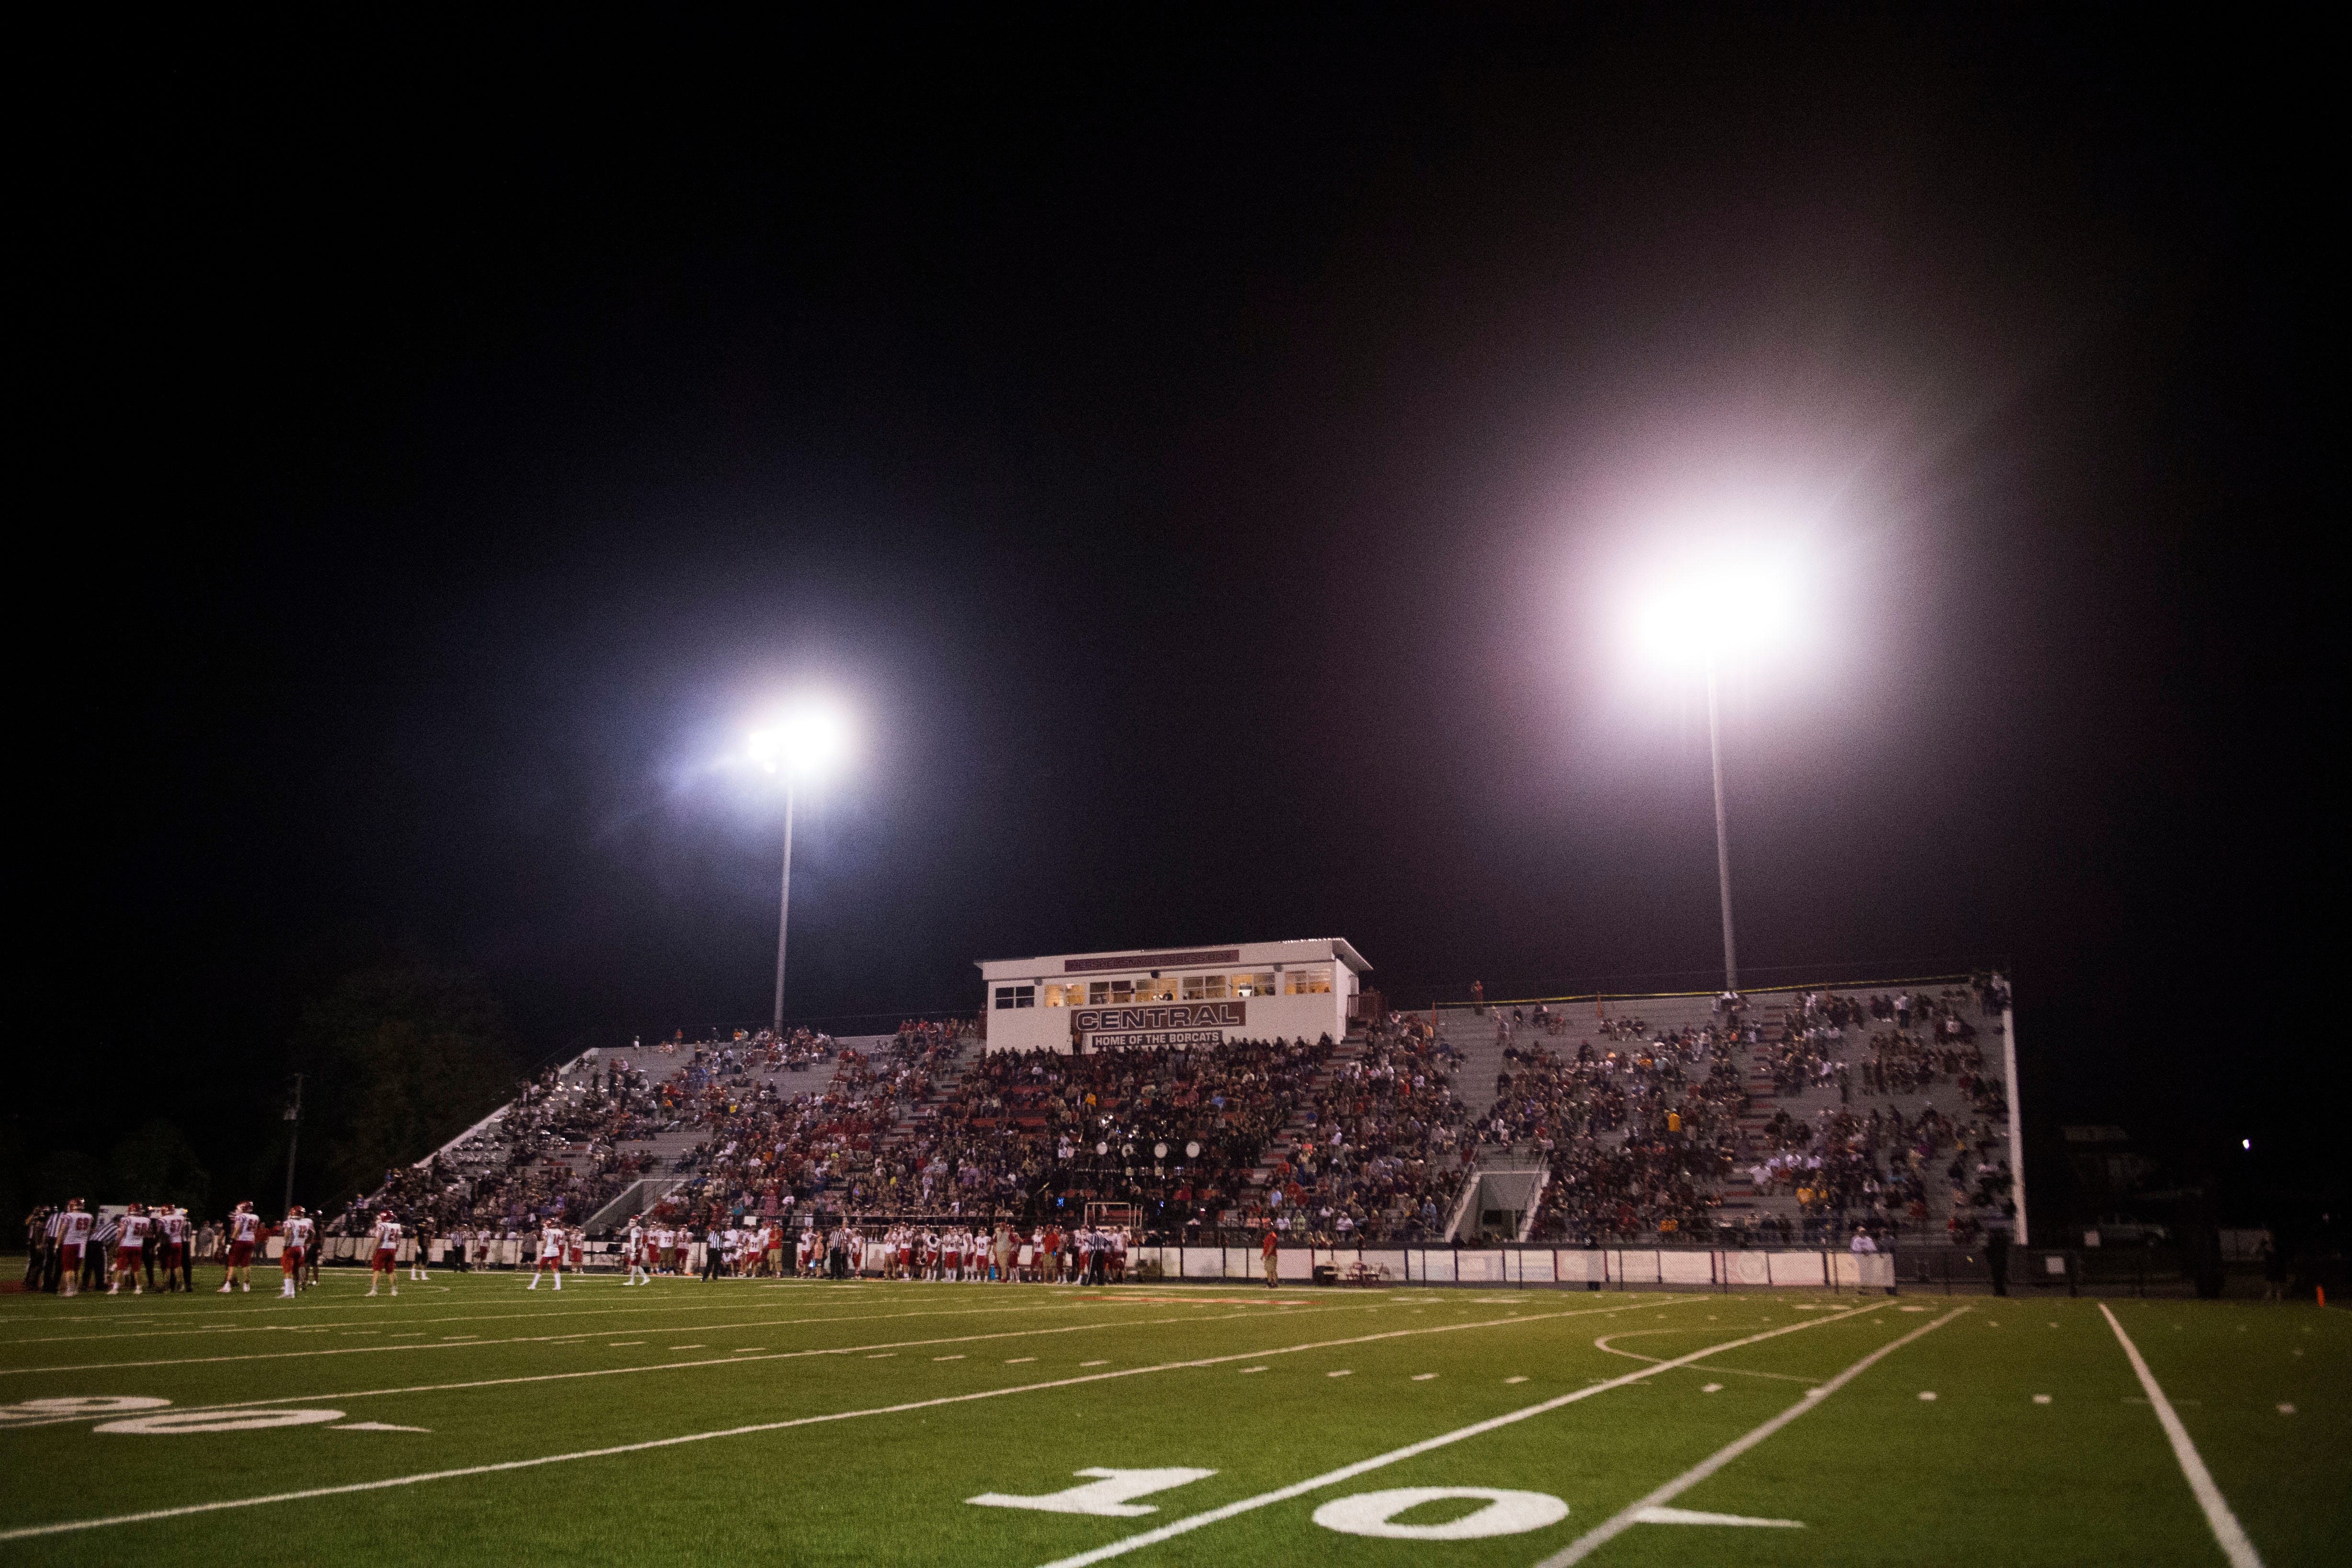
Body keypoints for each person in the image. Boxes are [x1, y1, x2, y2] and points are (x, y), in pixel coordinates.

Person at [53, 1199, 91, 1298]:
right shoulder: (89, 1216)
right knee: (77, 1269)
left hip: (70, 1244)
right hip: (82, 1245)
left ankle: (70, 1291)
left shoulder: (68, 1216)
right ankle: (75, 1290)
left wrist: (57, 1244)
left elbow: (63, 1231)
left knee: (69, 1269)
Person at [109, 1204, 150, 1295]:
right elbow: (147, 1233)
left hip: (126, 1246)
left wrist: (115, 1246)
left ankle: (115, 1289)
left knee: (120, 1268)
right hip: (138, 1246)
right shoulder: (146, 1220)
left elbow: (121, 1233)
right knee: (136, 1269)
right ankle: (139, 1289)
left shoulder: (126, 1219)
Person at [222, 1201, 260, 1293]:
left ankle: (227, 1286)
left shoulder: (241, 1217)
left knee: (232, 1264)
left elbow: (237, 1229)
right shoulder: (256, 1217)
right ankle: (246, 1286)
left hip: (240, 1241)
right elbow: (255, 1230)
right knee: (246, 1264)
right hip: (251, 1241)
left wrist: (231, 1241)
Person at [280, 1207, 314, 1297]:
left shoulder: (290, 1222)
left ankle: (288, 1292)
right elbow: (313, 1233)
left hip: (292, 1247)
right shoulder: (306, 1222)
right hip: (301, 1248)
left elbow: (287, 1236)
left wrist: (285, 1246)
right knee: (298, 1268)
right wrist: (307, 1242)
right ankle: (294, 1290)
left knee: (288, 1269)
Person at [368, 1210, 403, 1296]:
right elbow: (399, 1240)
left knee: (377, 1270)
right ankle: (395, 1291)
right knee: (391, 1271)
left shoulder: (382, 1226)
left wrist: (373, 1252)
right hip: (393, 1249)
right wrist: (396, 1249)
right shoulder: (397, 1226)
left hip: (383, 1249)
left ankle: (374, 1291)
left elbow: (378, 1239)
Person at [526, 1218, 565, 1289]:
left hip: (549, 1251)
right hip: (556, 1251)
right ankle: (558, 1286)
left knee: (540, 1269)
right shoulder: (561, 1232)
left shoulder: (549, 1231)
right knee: (555, 1268)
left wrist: (544, 1229)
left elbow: (542, 1237)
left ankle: (533, 1285)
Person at [1984, 1223, 2010, 1298]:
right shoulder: (2004, 1238)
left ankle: (1999, 1291)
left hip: (1995, 1260)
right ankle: (2002, 1291)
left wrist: (1989, 1259)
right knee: (2001, 1277)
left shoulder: (1992, 1239)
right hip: (2002, 1260)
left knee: (1997, 1277)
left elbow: (1988, 1250)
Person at [624, 1215, 650, 1286]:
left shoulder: (637, 1229)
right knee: (634, 1266)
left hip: (637, 1249)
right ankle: (634, 1280)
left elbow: (637, 1240)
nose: (631, 1222)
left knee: (635, 1265)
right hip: (636, 1249)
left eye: (633, 1221)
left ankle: (644, 1279)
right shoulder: (635, 1229)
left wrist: (634, 1251)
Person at [1261, 1222, 1279, 1289]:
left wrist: (1268, 1254)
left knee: (1273, 1270)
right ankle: (1269, 1283)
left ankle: (1275, 1283)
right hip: (1268, 1255)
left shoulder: (1273, 1236)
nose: (1267, 1228)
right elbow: (1266, 1247)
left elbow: (1272, 1246)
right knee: (1269, 1270)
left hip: (1272, 1255)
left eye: (1268, 1227)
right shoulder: (1268, 1236)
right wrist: (1263, 1255)